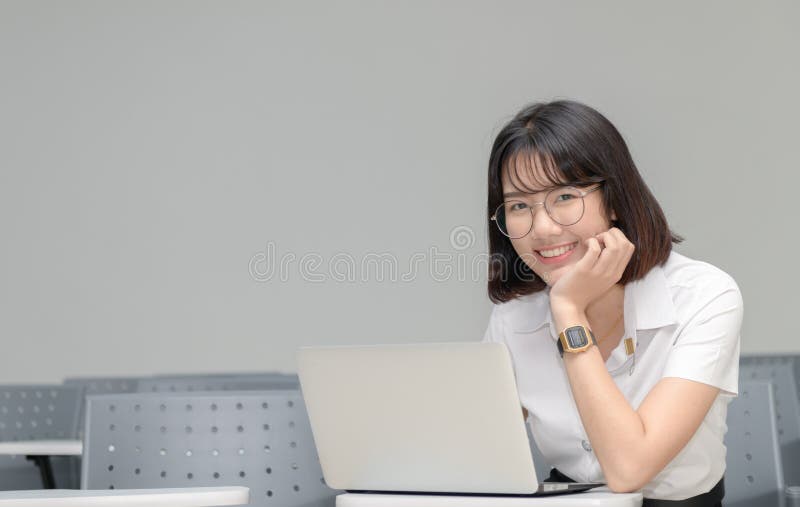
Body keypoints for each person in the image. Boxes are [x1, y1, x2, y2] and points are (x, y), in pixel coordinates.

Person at [482, 100, 742, 506]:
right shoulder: (514, 317)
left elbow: (629, 468)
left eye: (565, 196)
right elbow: (476, 454)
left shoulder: (705, 296)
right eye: (519, 206)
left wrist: (568, 311)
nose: (544, 228)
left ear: (616, 200)